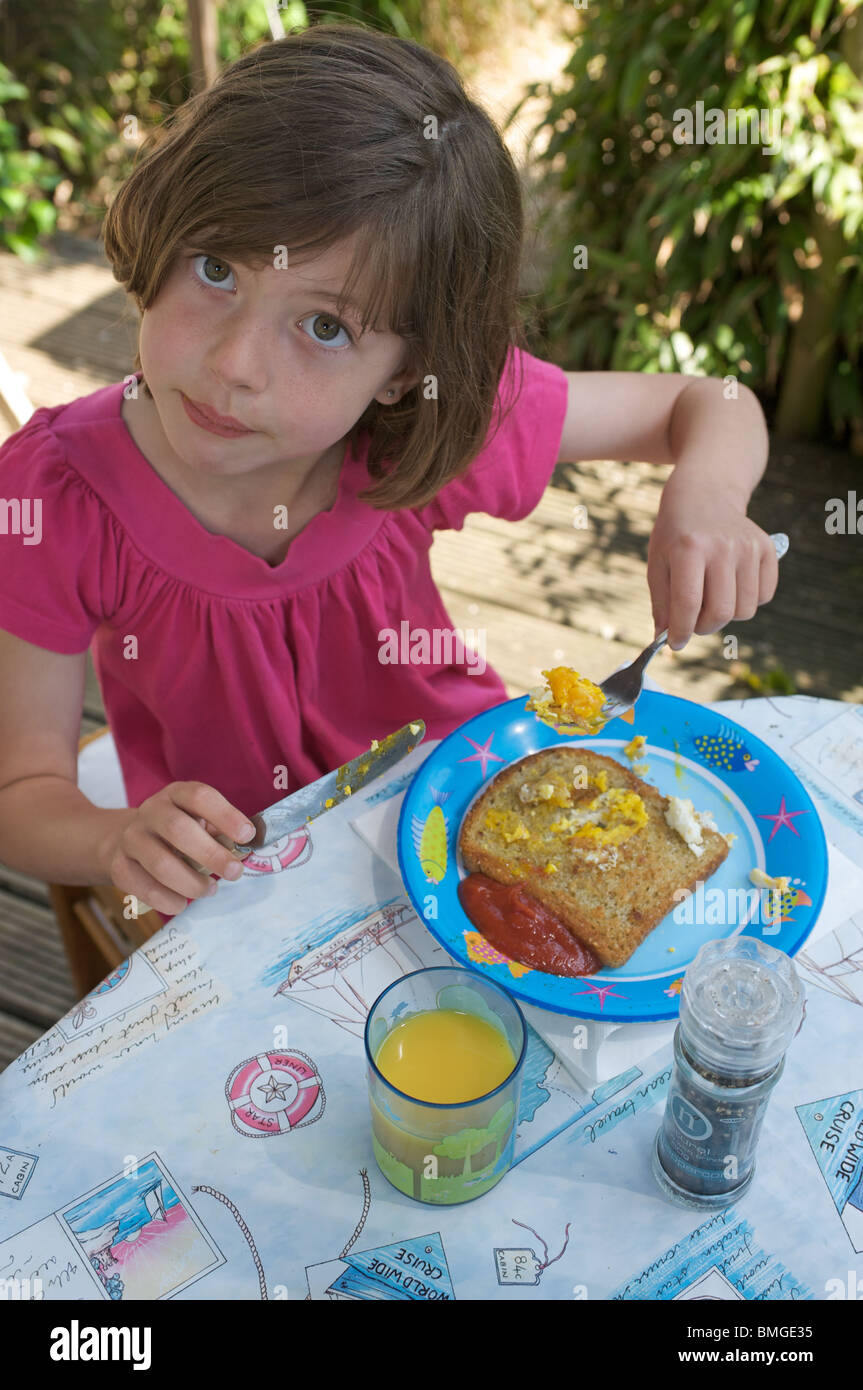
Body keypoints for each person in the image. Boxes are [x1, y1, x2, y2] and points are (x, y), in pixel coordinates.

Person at [0, 24, 777, 921]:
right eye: (215, 268)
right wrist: (111, 839)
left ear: (408, 369)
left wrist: (707, 498)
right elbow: (21, 795)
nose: (235, 365)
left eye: (326, 327)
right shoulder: (53, 498)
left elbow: (709, 401)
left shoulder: (421, 425)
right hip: (247, 884)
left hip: (471, 803)